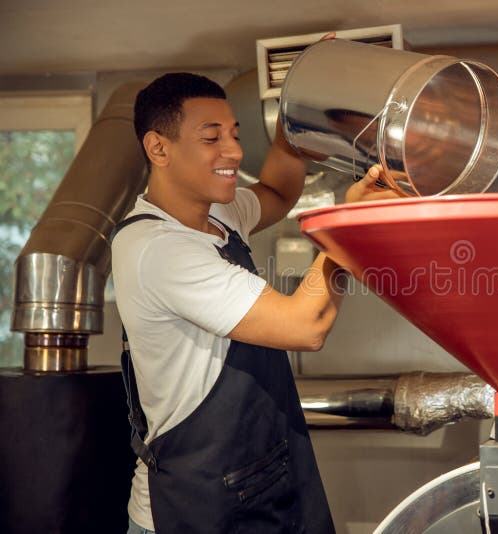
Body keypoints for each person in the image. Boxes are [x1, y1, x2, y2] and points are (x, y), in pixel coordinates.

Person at [113, 72, 398, 534]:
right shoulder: (158, 247)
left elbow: (279, 192)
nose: (234, 152)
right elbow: (306, 326)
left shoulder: (216, 214)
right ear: (158, 148)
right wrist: (350, 223)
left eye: (235, 134)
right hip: (192, 509)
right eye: (212, 138)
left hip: (252, 483)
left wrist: (297, 111)